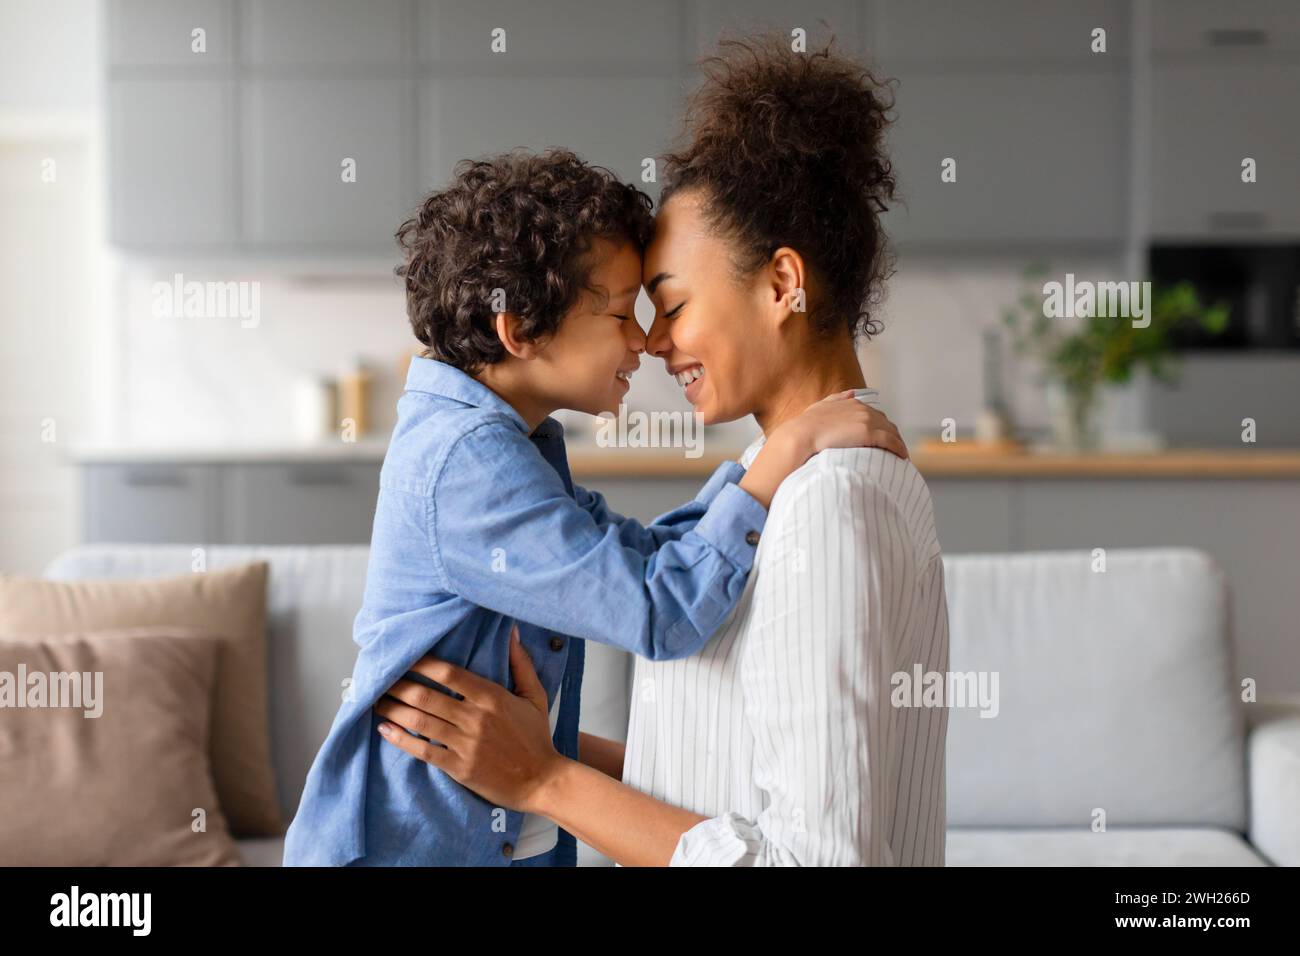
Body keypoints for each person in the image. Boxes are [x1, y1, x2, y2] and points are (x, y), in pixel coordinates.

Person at [375, 37, 950, 866]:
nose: (653, 343)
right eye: (632, 313)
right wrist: (540, 762)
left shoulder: (826, 501)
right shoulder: (783, 489)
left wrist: (544, 783)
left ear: (784, 284)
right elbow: (726, 769)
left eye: (671, 305)